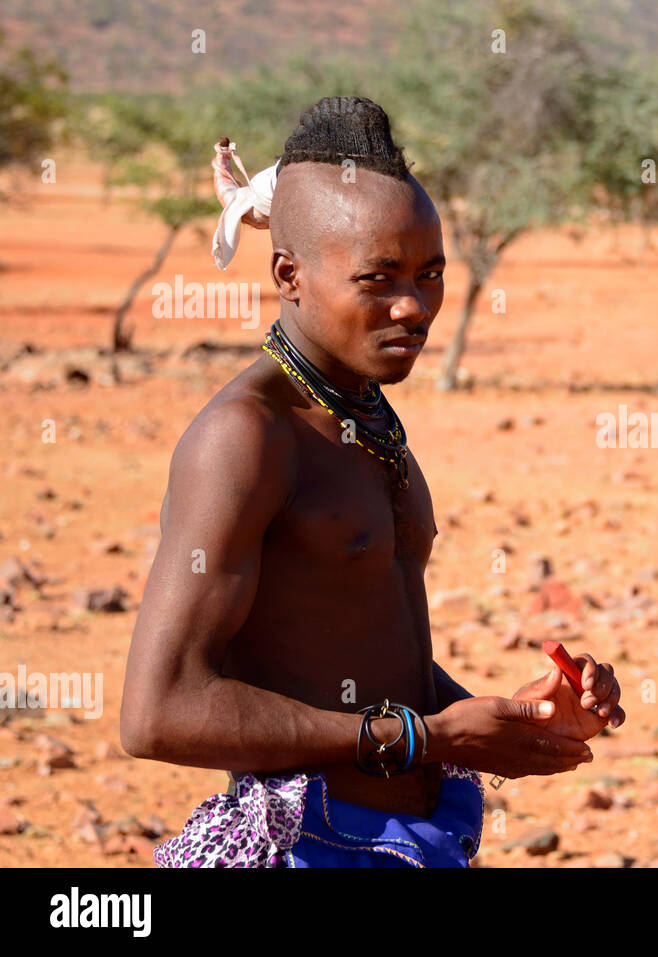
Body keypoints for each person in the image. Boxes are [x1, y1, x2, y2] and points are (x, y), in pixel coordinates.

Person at [121, 96, 623, 868]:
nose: (413, 306)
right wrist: (423, 736)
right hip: (307, 844)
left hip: (411, 840)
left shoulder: (365, 415)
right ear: (289, 273)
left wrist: (515, 715)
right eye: (377, 278)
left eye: (430, 275)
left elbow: (352, 652)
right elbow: (157, 711)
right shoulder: (246, 438)